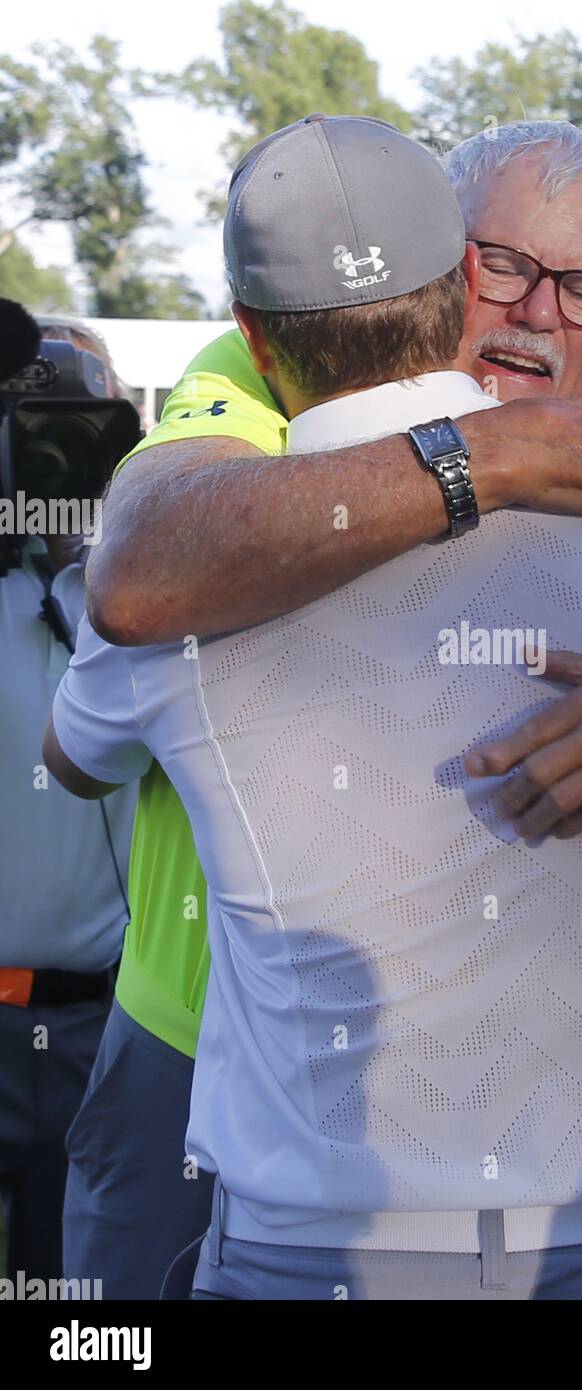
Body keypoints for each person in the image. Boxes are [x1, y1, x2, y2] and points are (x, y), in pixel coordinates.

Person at [45, 115, 582, 1302]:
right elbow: (139, 574)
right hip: (250, 1144)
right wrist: (479, 458)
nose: (543, 314)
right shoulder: (252, 435)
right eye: (507, 266)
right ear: (433, 273)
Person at [0, 309, 137, 1282]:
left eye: (78, 432)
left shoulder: (147, 598)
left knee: (72, 1288)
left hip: (106, 1025)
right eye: (29, 429)